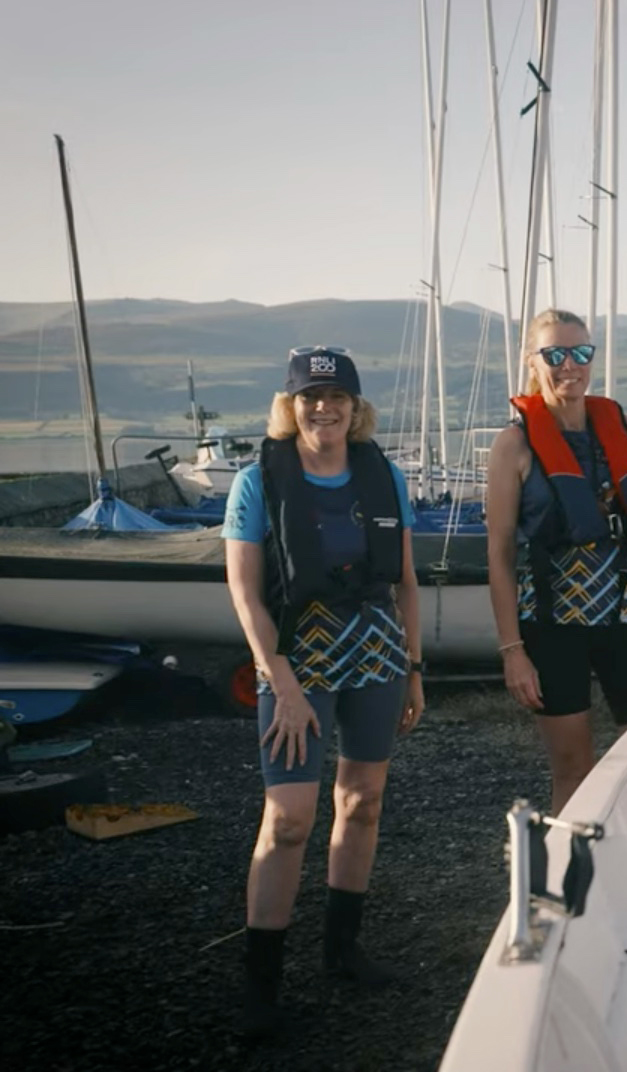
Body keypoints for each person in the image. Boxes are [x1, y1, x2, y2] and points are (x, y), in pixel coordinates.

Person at [223, 346, 425, 1038]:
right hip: (295, 660)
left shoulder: (382, 475)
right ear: (290, 405)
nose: (324, 407)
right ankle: (260, 987)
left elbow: (405, 582)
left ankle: (343, 953)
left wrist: (414, 668)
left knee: (362, 802)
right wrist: (281, 684)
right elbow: (246, 595)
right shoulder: (257, 482)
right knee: (288, 819)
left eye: (337, 396)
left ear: (355, 406)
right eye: (310, 396)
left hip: (377, 653)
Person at [485, 309, 627, 814]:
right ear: (532, 362)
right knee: (573, 769)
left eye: (581, 353)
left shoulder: (626, 429)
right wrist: (512, 650)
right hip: (551, 626)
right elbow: (498, 554)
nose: (570, 365)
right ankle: (569, 863)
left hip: (626, 618)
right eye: (555, 354)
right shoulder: (513, 445)